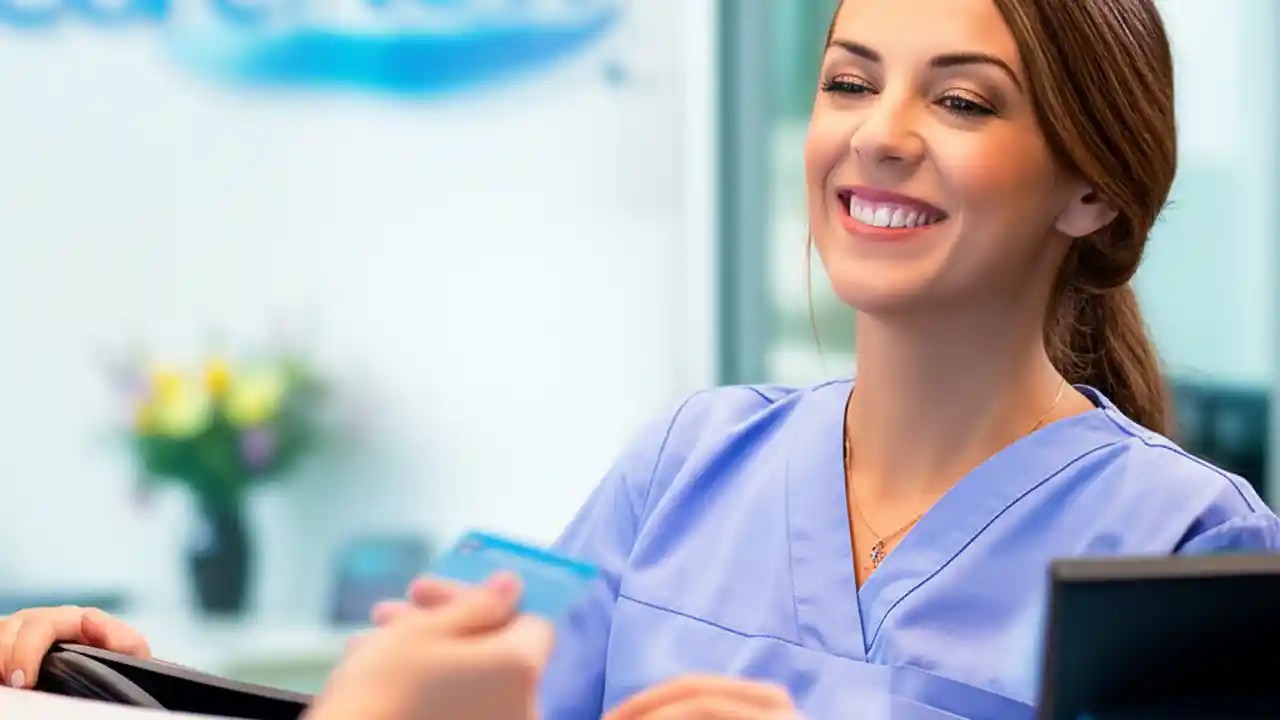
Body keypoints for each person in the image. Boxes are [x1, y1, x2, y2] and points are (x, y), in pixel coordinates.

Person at [3, 0, 1278, 717]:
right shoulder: (688, 456)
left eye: (959, 100)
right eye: (845, 82)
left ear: (1092, 190)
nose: (875, 137)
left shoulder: (1184, 548)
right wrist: (135, 692)